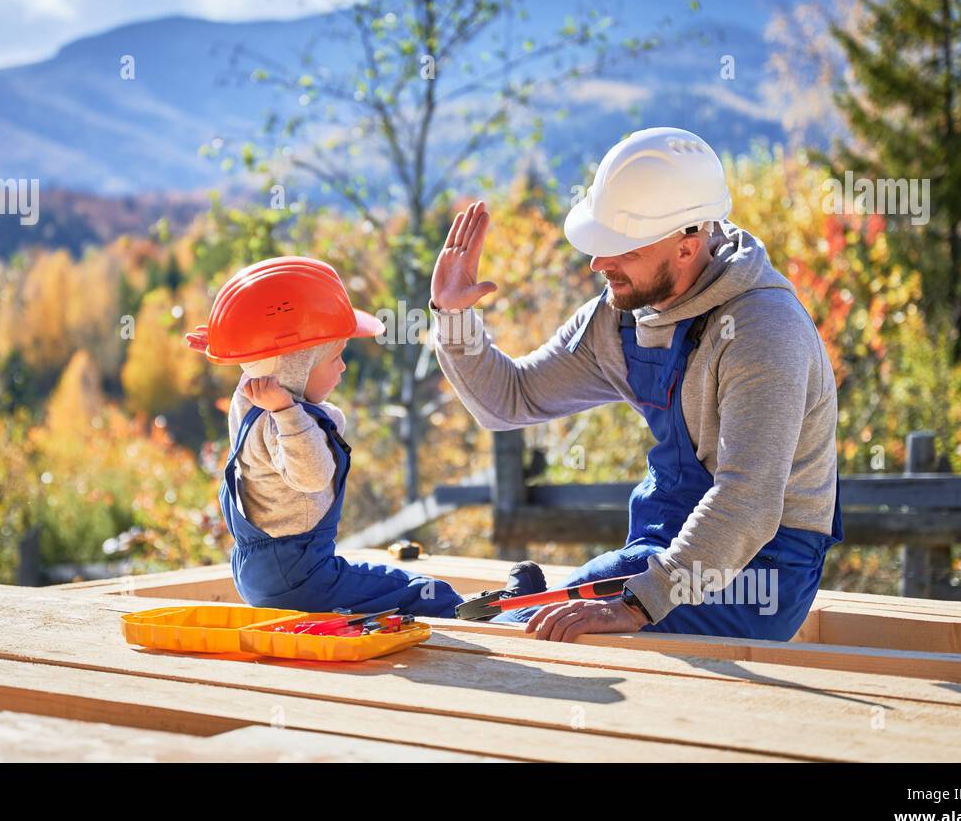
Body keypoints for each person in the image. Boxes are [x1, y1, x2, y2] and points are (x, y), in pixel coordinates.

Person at [429, 127, 844, 643]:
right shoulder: (622, 314)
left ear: (688, 245)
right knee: (548, 617)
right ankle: (513, 610)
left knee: (535, 631)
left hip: (757, 577)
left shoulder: (761, 329)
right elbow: (509, 400)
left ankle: (509, 615)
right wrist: (452, 319)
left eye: (620, 249)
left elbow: (749, 503)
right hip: (657, 560)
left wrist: (636, 603)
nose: (598, 264)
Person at [186, 255, 543, 616]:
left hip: (257, 575)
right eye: (335, 357)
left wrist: (236, 344)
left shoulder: (249, 404)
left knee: (382, 596)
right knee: (423, 592)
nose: (342, 366)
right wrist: (286, 411)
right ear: (299, 366)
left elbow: (269, 365)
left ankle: (478, 608)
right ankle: (500, 613)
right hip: (303, 578)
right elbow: (312, 475)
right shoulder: (282, 419)